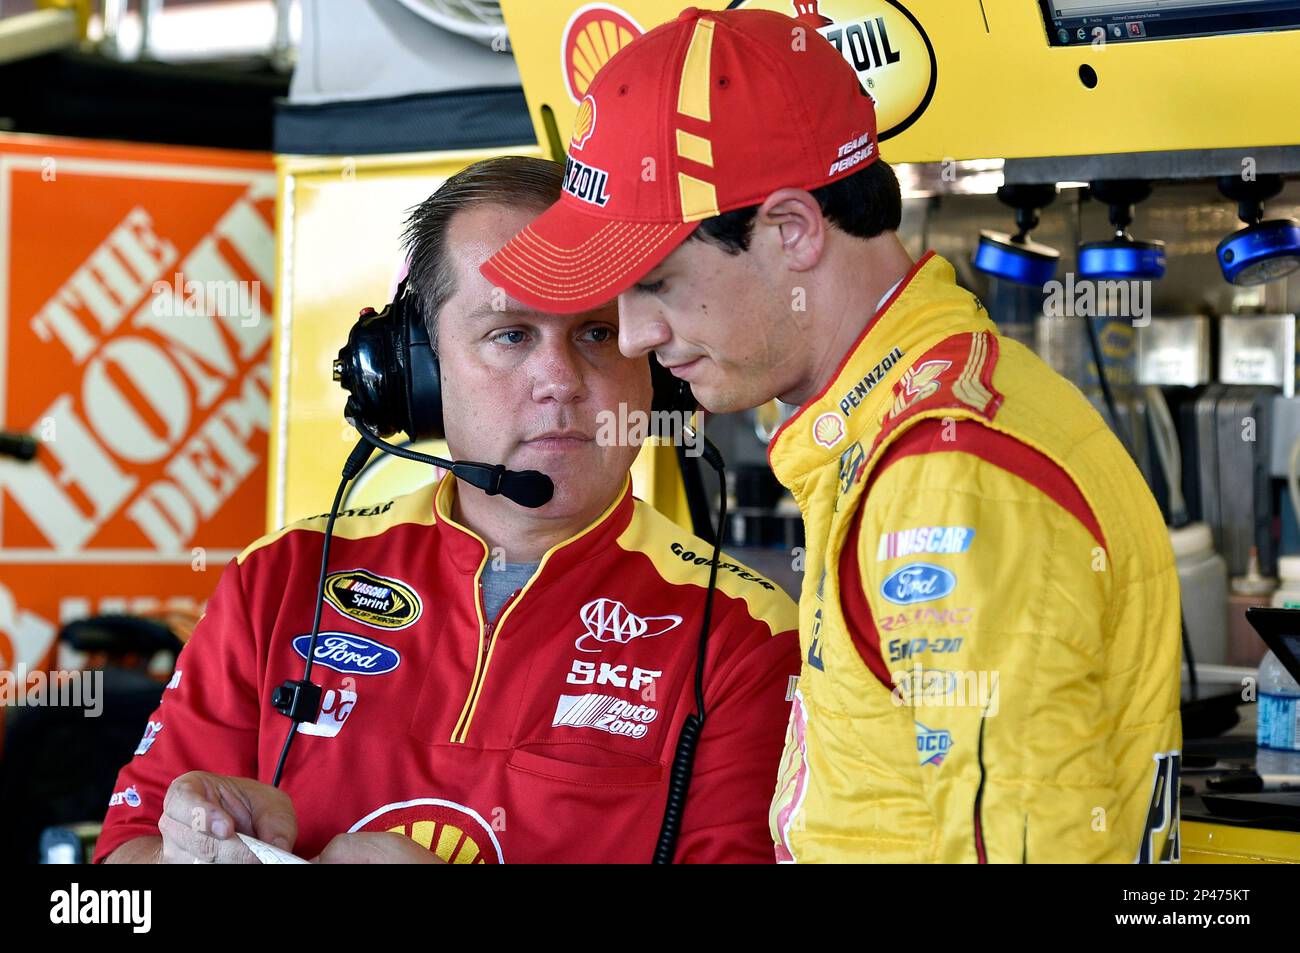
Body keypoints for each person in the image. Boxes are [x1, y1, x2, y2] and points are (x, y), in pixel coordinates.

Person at [481, 9, 1182, 863]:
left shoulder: (942, 472)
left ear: (793, 231)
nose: (633, 337)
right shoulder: (896, 433)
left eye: (656, 283)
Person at [95, 155, 799, 864]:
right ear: (420, 372)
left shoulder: (746, 636)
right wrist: (192, 854)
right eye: (511, 334)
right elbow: (123, 867)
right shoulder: (280, 579)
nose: (559, 379)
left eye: (596, 332)